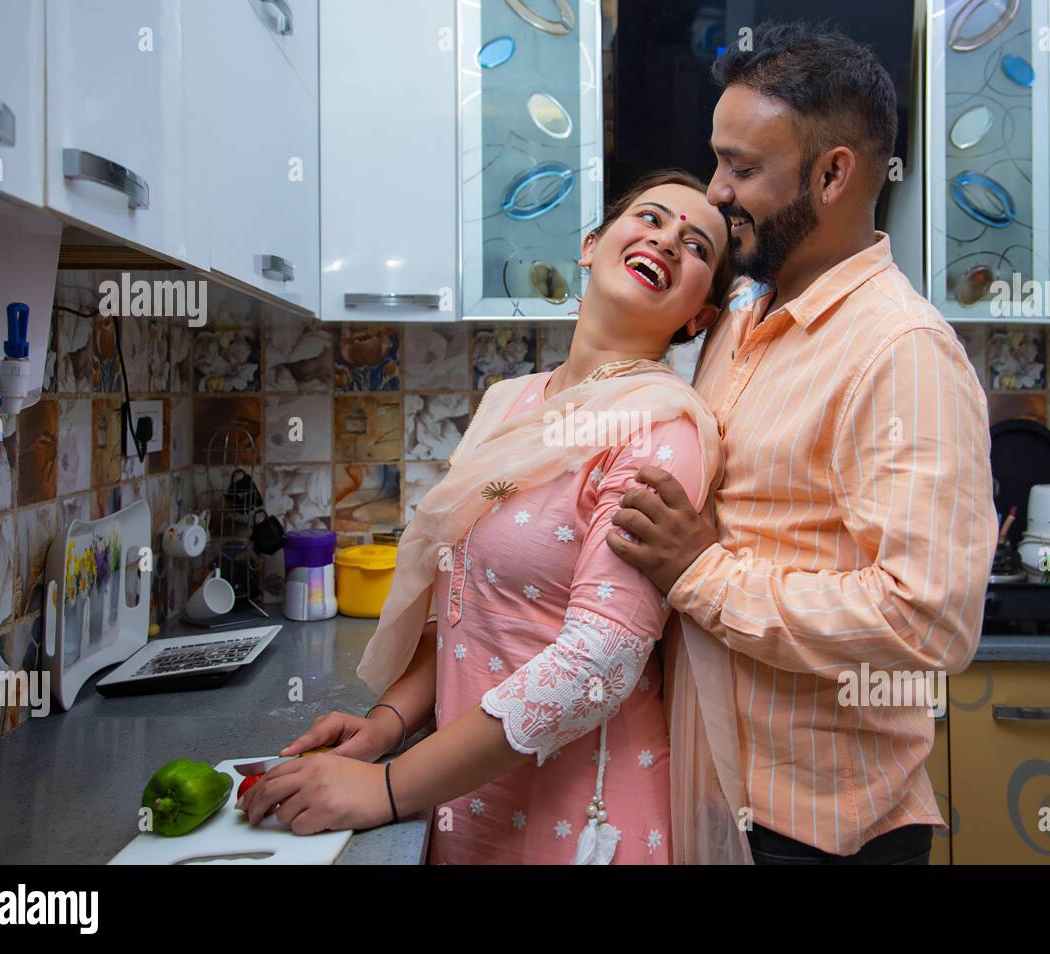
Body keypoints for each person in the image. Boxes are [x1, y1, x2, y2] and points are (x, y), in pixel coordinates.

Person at [238, 170, 742, 864]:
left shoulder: (661, 432)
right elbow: (461, 610)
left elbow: (597, 664)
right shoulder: (510, 402)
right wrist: (385, 726)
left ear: (698, 317)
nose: (667, 240)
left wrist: (384, 789)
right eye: (651, 219)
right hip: (459, 795)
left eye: (698, 247)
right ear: (591, 247)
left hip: (585, 821)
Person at [606, 24, 997, 865]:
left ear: (832, 174)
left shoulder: (902, 352)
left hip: (816, 833)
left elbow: (928, 624)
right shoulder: (742, 312)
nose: (716, 190)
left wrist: (701, 572)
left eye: (742, 169)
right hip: (710, 797)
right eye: (718, 160)